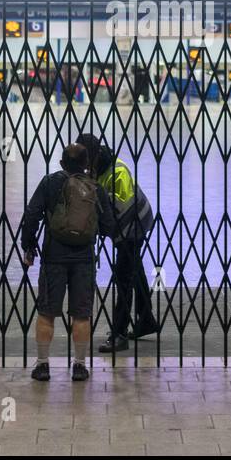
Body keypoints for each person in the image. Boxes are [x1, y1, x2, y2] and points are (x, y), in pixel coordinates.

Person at [20, 143, 118, 381]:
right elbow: (109, 226)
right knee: (82, 314)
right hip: (83, 258)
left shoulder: (50, 183)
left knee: (46, 312)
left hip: (54, 257)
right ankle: (80, 366)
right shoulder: (95, 188)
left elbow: (32, 214)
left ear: (62, 163)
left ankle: (43, 365)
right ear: (86, 165)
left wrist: (28, 246)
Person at [75, 133, 160, 352]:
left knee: (123, 277)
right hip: (122, 227)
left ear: (92, 156)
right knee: (135, 270)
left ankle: (119, 333)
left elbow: (125, 208)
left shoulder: (117, 171)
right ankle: (146, 319)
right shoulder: (94, 168)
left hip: (134, 223)